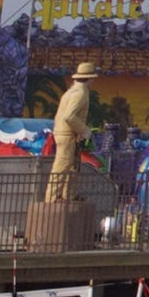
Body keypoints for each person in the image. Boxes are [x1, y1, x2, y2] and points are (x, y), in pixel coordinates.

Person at [43, 62, 99, 204]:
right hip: (67, 134)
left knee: (73, 166)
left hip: (67, 133)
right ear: (90, 78)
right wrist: (85, 130)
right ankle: (52, 198)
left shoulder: (71, 91)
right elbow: (69, 116)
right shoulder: (79, 93)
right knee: (62, 165)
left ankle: (69, 195)